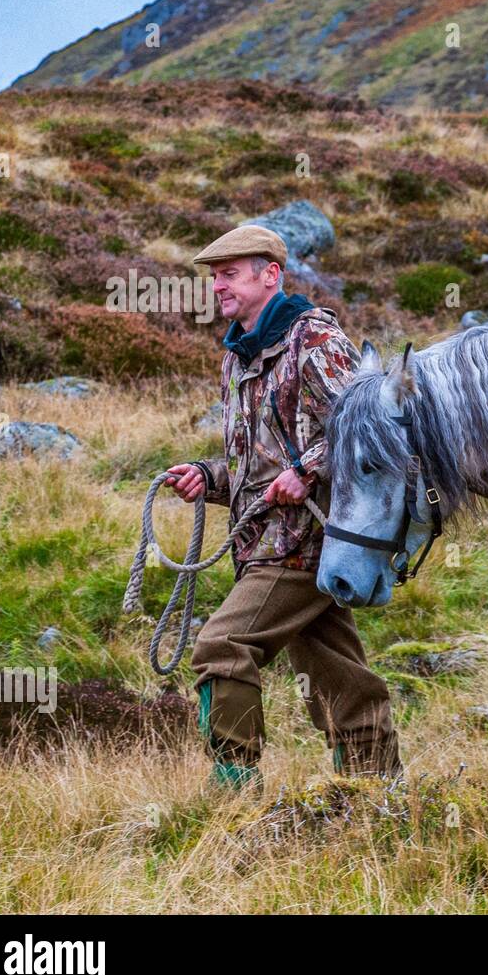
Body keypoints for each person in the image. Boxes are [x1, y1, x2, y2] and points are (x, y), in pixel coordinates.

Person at [164, 224, 400, 789]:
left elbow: (370, 427)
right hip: (270, 540)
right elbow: (261, 464)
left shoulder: (313, 340)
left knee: (223, 646)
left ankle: (235, 792)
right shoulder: (240, 357)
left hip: (309, 540)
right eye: (214, 277)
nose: (217, 287)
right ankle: (377, 794)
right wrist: (209, 477)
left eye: (229, 274)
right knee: (337, 672)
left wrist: (308, 471)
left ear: (270, 275)